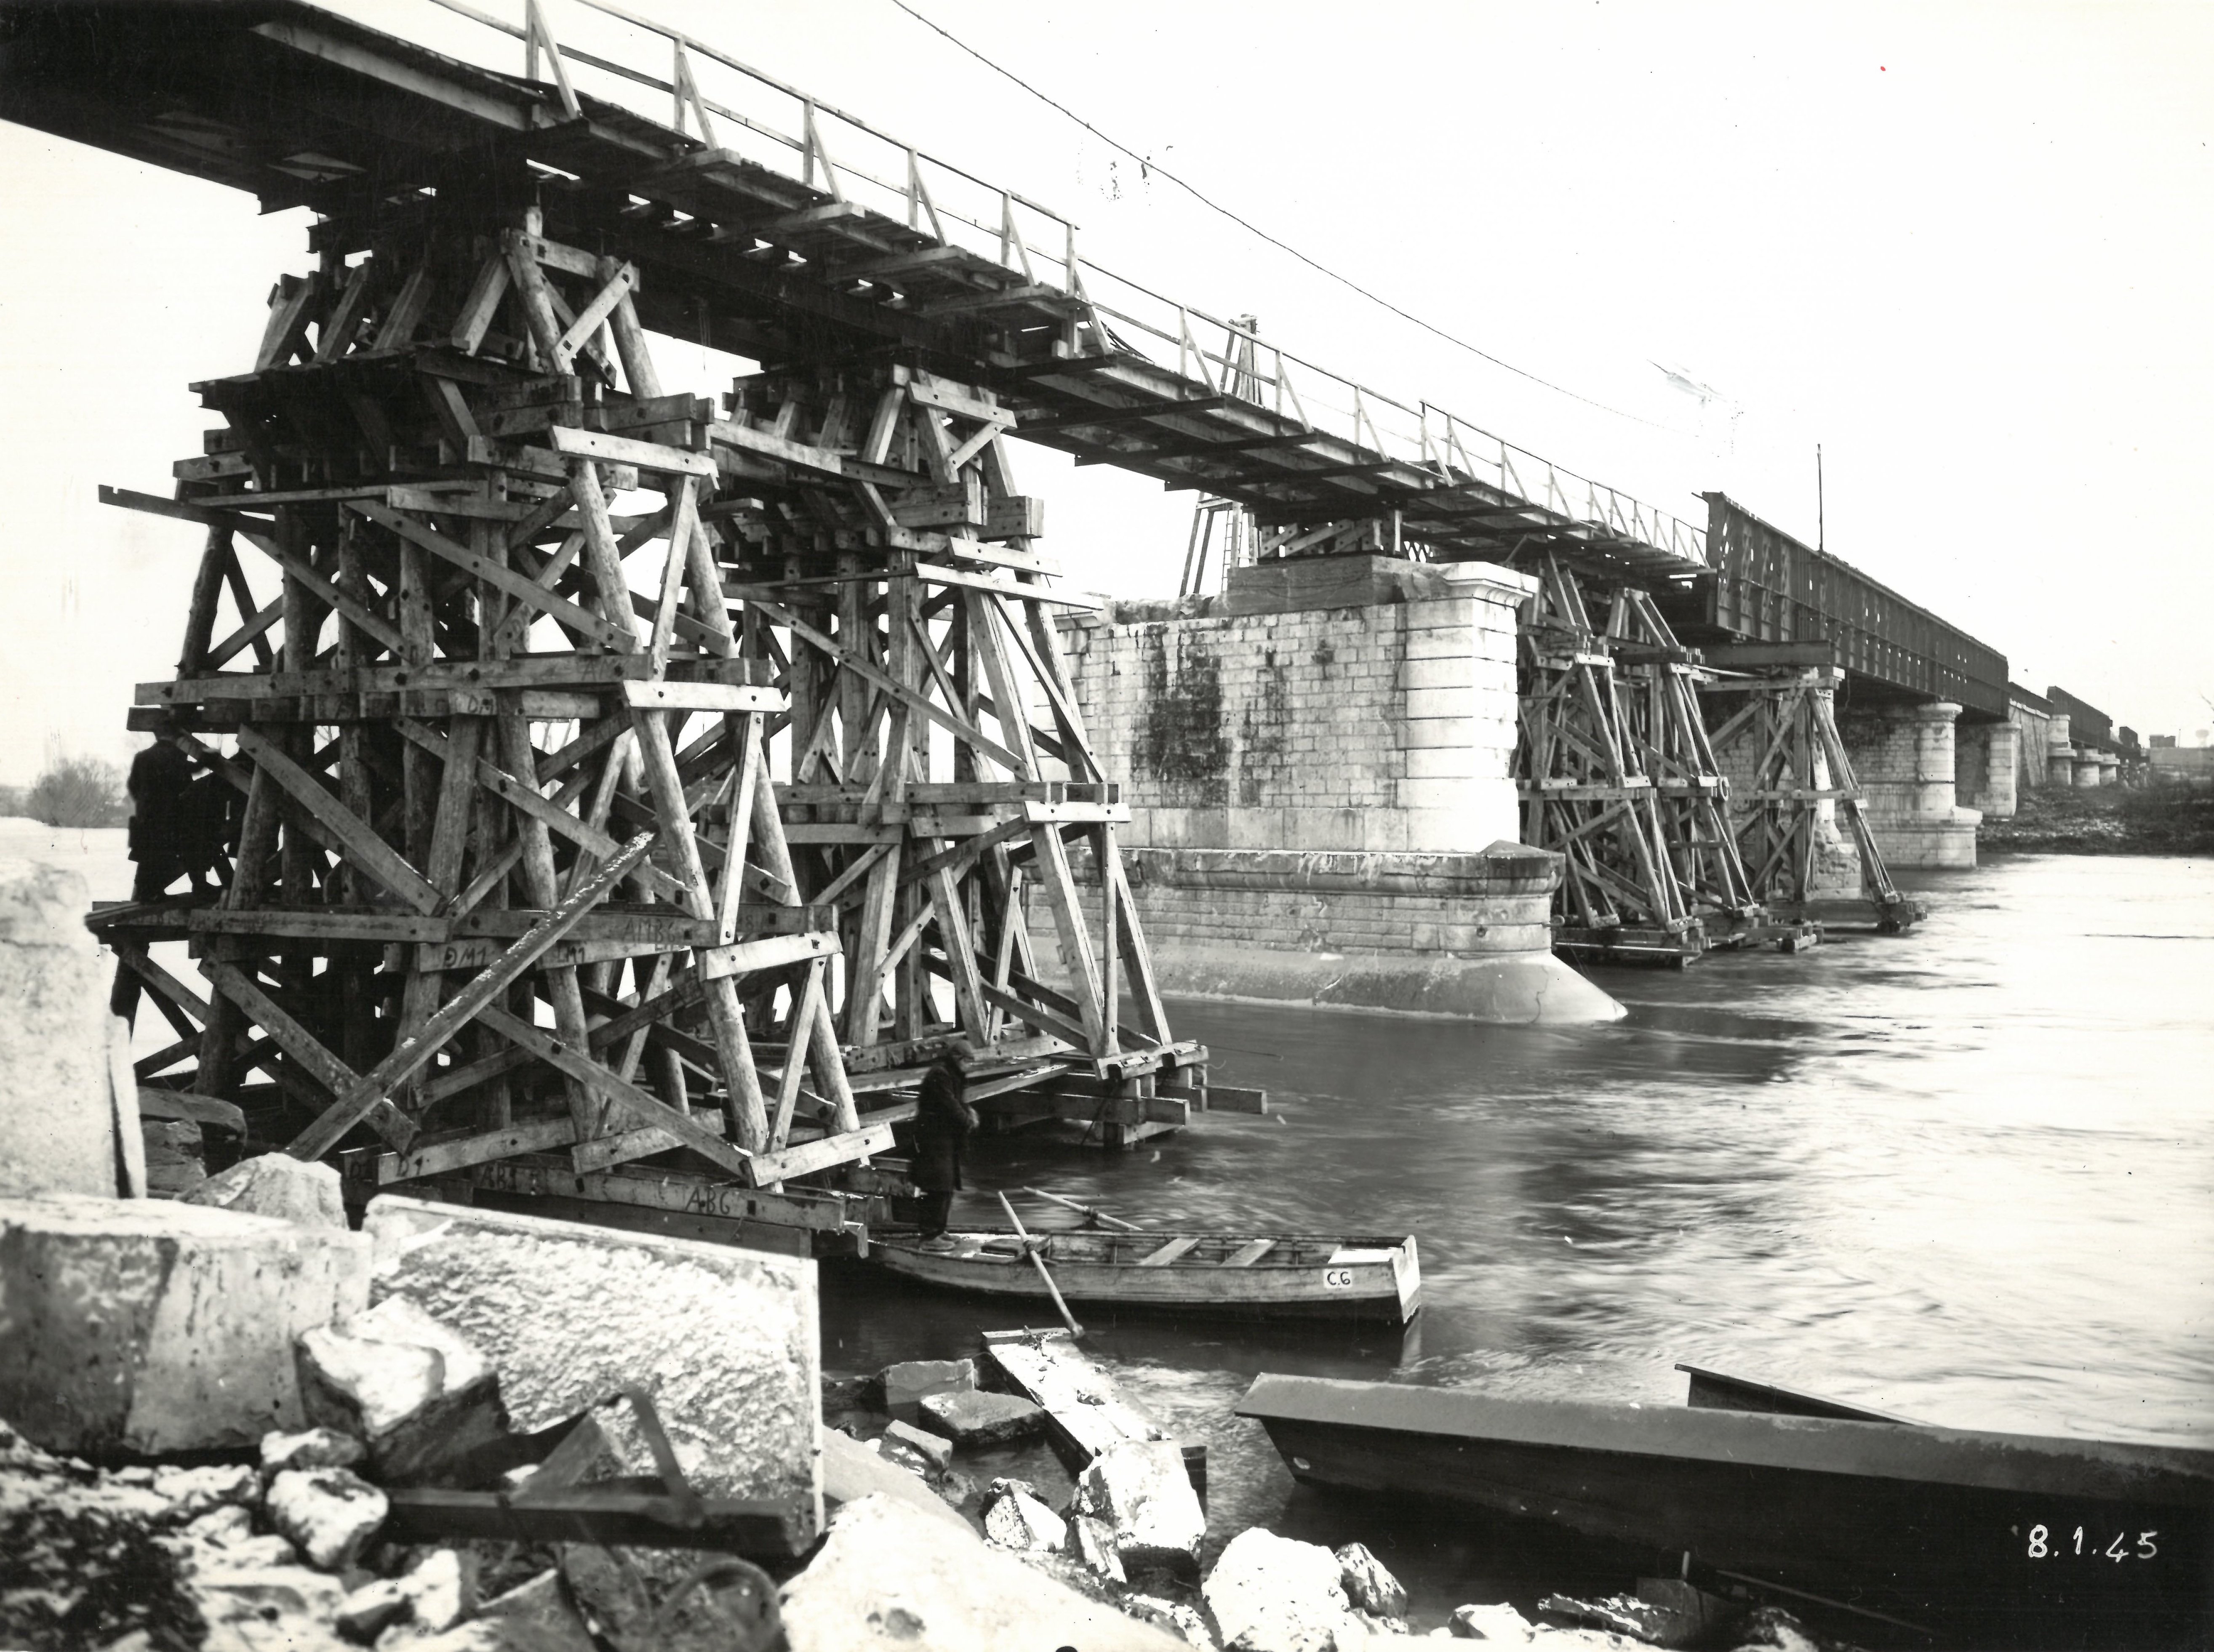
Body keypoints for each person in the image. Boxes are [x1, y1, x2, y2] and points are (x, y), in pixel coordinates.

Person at [910, 1049, 975, 1250]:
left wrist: (968, 1112)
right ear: (960, 1060)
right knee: (937, 1182)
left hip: (945, 1138)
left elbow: (958, 1102)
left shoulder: (953, 1075)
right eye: (969, 1062)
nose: (970, 1066)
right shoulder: (940, 1075)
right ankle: (929, 1236)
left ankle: (939, 1230)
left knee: (947, 1183)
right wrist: (967, 1120)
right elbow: (950, 1105)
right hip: (933, 1137)